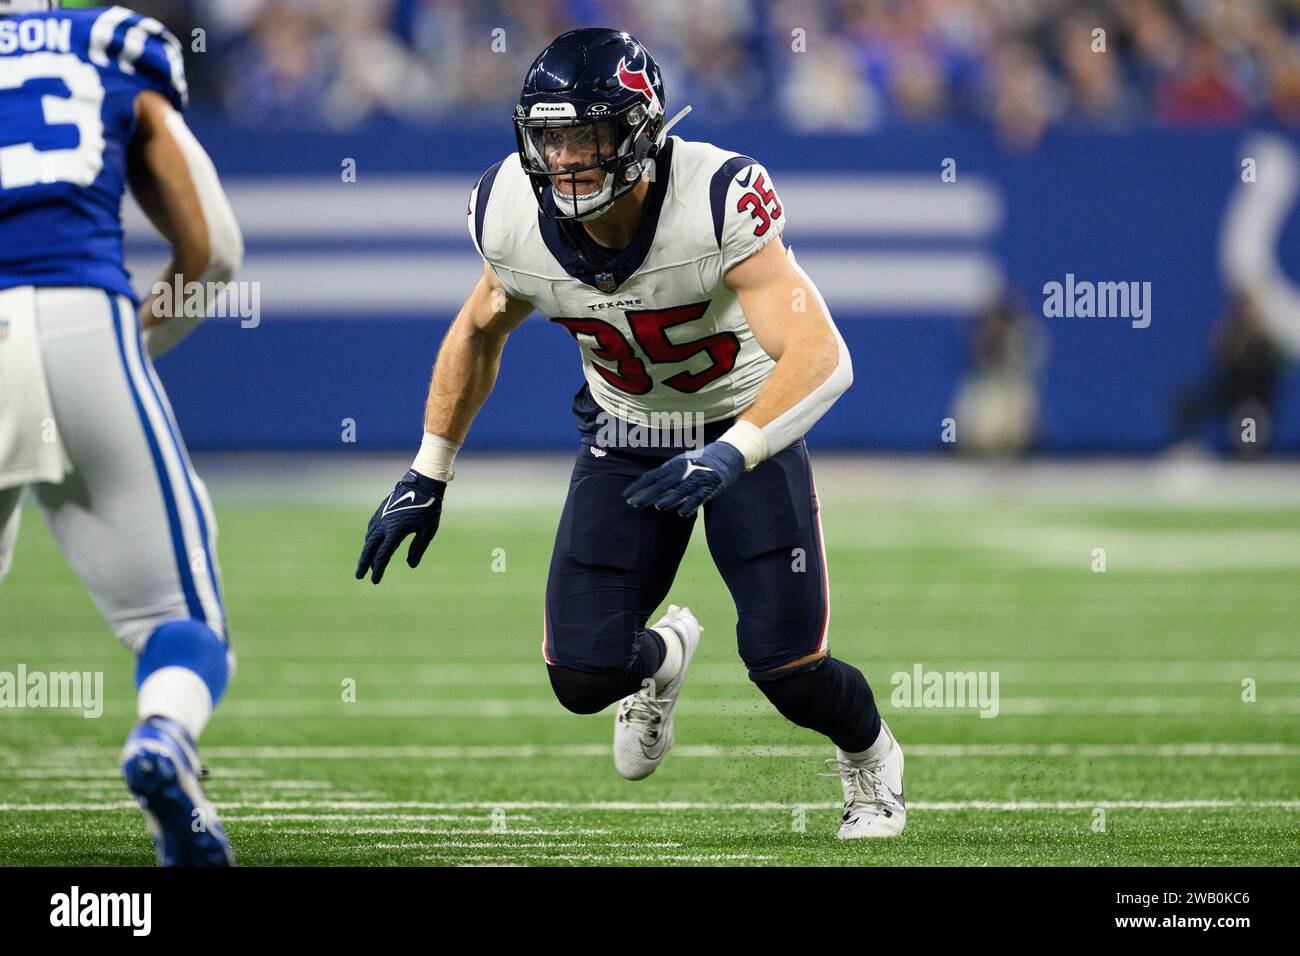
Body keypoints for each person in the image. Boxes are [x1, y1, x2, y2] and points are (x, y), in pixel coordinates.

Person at [356, 28, 904, 838]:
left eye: (589, 135)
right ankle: (664, 659)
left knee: (786, 668)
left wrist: (733, 450)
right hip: (627, 431)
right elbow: (477, 330)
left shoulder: (715, 195)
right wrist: (428, 470)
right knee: (581, 673)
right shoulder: (508, 209)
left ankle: (871, 763)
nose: (568, 158)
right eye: (552, 137)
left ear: (642, 133)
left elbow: (821, 352)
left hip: (742, 424)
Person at [0, 0, 243, 865]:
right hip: (79, 316)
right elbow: (213, 250)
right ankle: (165, 735)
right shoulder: (104, 42)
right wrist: (126, 349)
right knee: (179, 619)